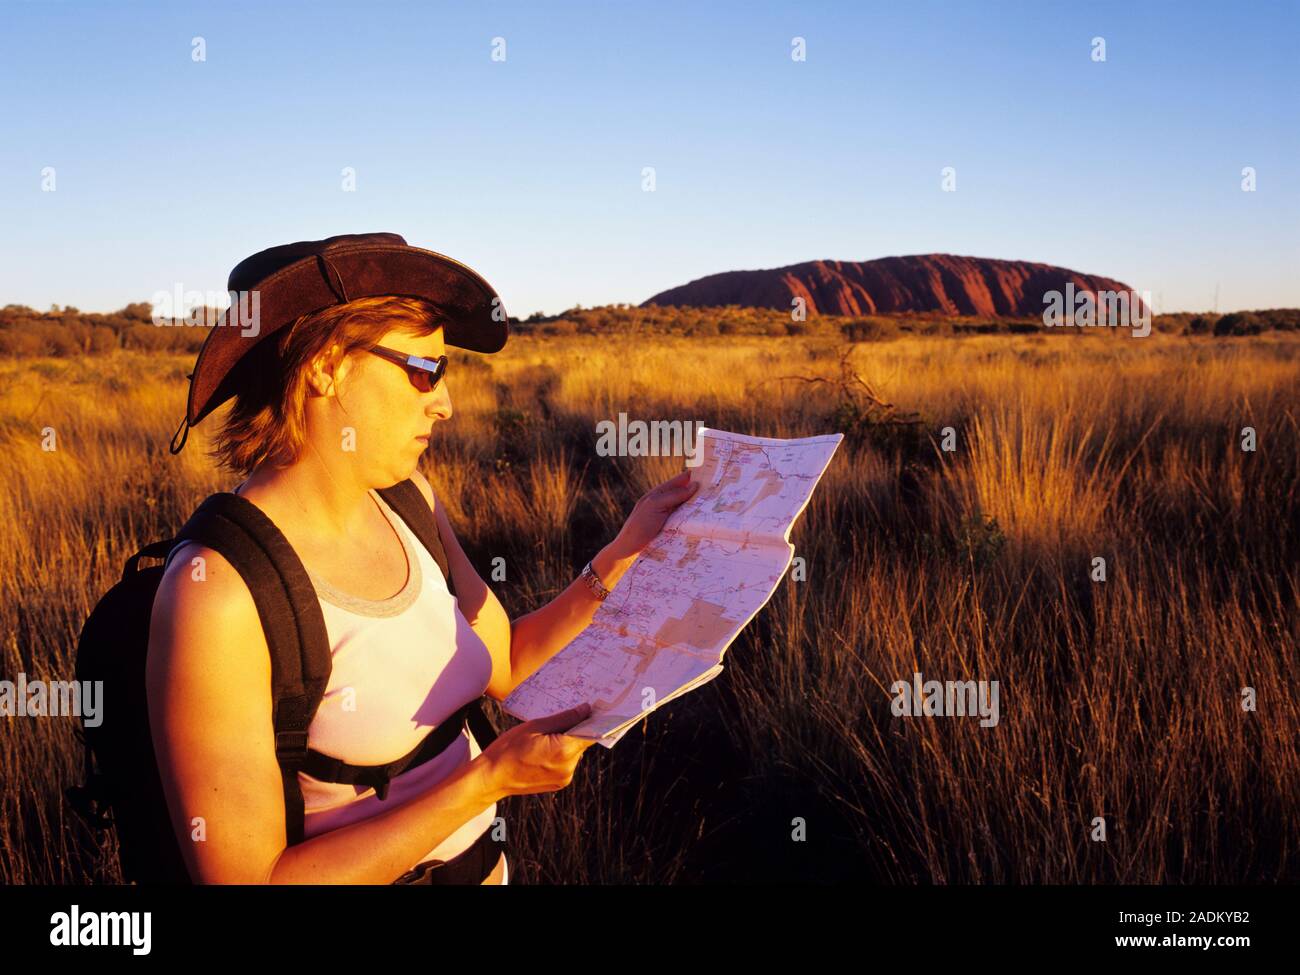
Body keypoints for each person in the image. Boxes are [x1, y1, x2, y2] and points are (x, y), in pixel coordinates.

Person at [147, 234, 699, 884]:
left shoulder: (409, 502)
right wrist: (488, 781)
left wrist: (622, 552)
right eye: (424, 370)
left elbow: (507, 664)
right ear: (326, 365)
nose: (445, 401)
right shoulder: (219, 594)